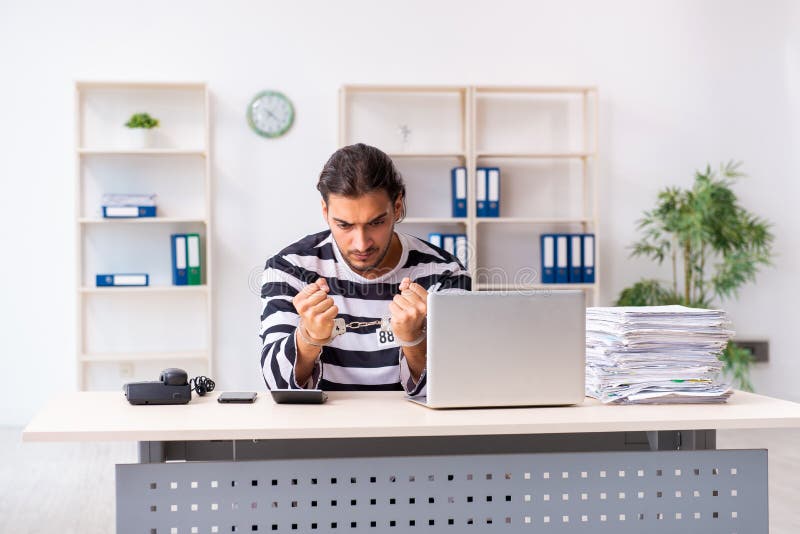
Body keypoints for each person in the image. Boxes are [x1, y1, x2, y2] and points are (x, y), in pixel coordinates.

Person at [260, 143, 471, 396]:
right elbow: (277, 385)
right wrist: (307, 338)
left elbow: (458, 385)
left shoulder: (445, 273)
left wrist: (415, 340)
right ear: (325, 211)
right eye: (344, 225)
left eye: (376, 222)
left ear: (397, 206)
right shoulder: (289, 268)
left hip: (413, 421)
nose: (361, 244)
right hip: (321, 421)